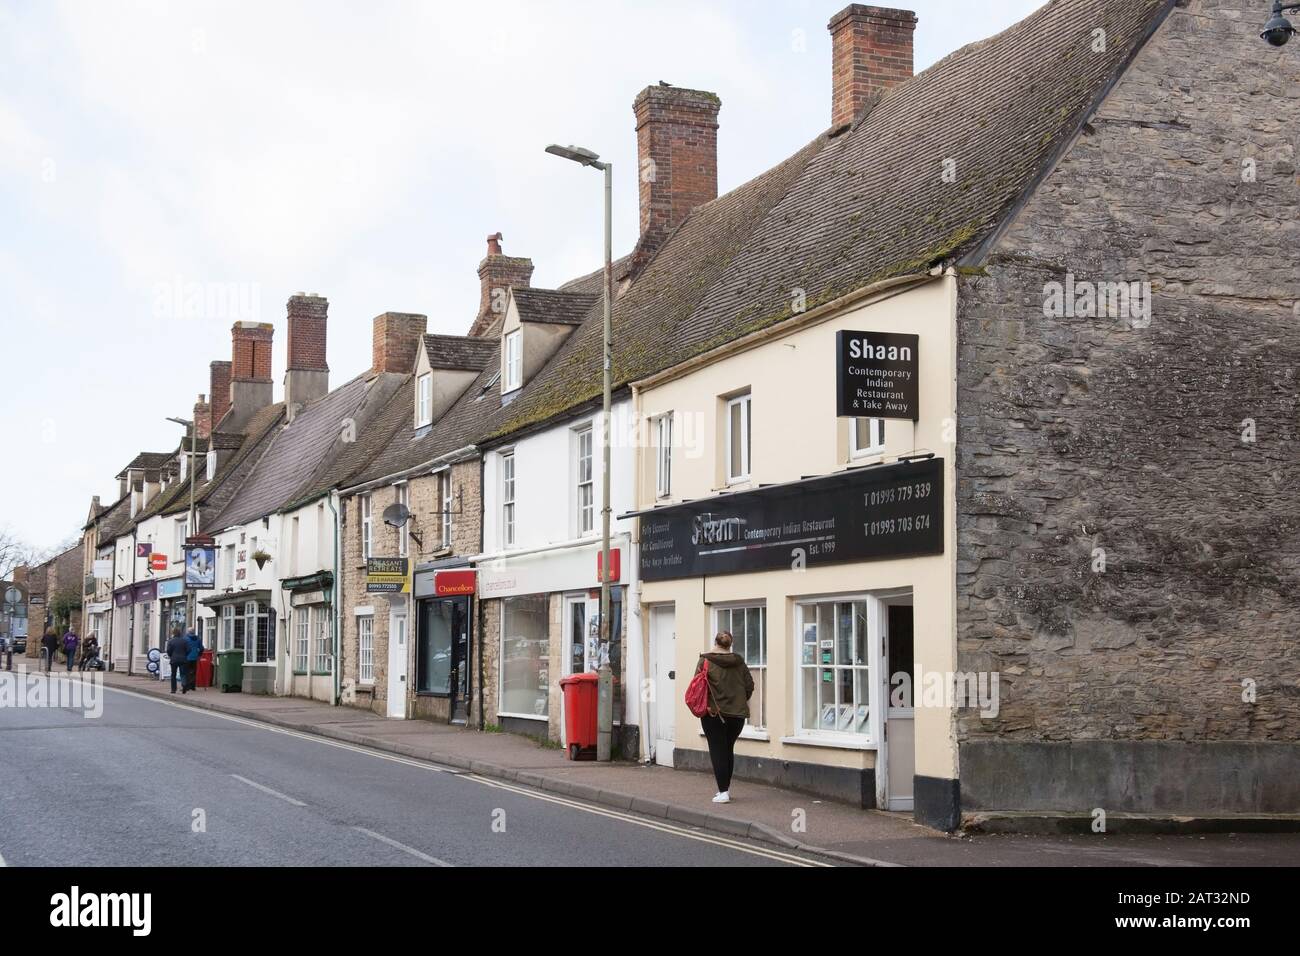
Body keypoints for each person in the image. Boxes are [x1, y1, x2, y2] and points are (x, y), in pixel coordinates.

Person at [694, 630, 754, 804]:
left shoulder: (705, 660)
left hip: (714, 714)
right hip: (737, 715)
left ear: (716, 642)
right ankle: (725, 789)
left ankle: (723, 791)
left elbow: (697, 686)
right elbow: (749, 686)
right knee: (728, 749)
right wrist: (738, 700)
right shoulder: (739, 662)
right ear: (730, 644)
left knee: (718, 750)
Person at [165, 624, 187, 694]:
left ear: (173, 633)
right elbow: (188, 649)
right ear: (180, 633)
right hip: (183, 659)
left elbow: (168, 650)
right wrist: (185, 655)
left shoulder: (171, 641)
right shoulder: (184, 641)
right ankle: (184, 685)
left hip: (174, 659)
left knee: (173, 674)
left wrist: (171, 655)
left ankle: (173, 689)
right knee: (183, 673)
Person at [182, 625, 203, 693]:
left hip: (187, 657)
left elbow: (184, 648)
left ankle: (187, 686)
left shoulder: (185, 639)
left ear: (188, 632)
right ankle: (193, 686)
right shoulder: (198, 639)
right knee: (193, 672)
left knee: (186, 672)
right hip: (195, 657)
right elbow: (201, 648)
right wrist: (199, 654)